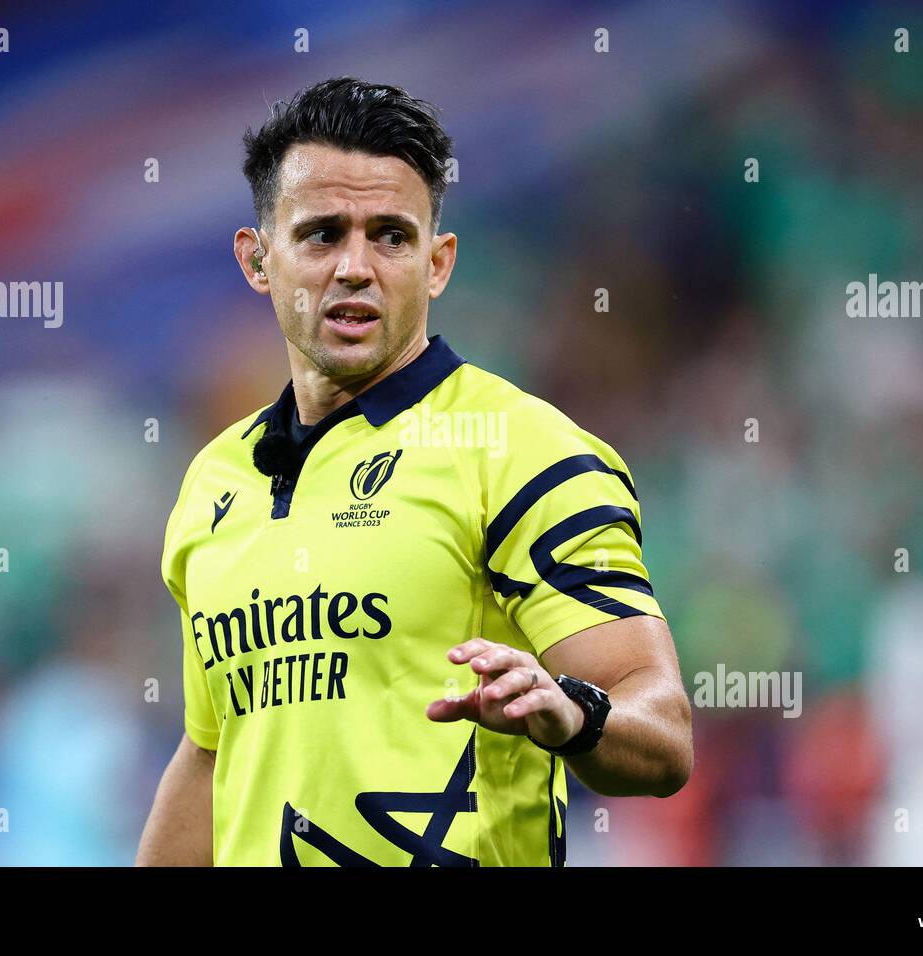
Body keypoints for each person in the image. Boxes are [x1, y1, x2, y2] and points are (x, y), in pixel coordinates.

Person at [136, 76, 692, 867]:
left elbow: (664, 731)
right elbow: (213, 754)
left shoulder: (520, 447)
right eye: (323, 234)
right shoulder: (214, 482)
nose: (357, 266)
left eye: (391, 236)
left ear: (438, 263)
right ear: (258, 260)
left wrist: (571, 710)